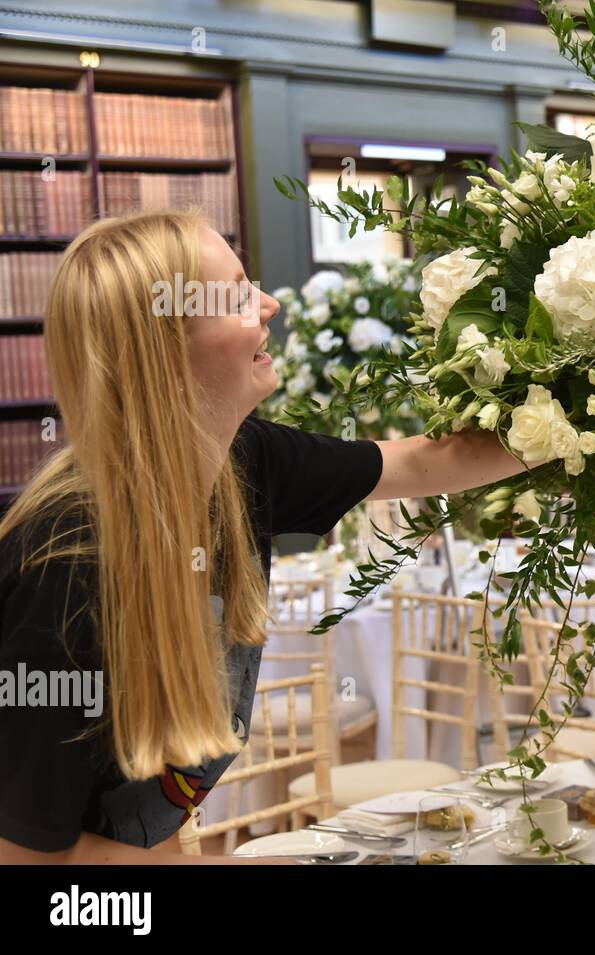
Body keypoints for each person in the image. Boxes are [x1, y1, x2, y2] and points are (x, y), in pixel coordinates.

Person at [0, 211, 526, 862]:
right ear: (166, 344)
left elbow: (422, 463)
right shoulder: (66, 561)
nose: (270, 305)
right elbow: (27, 856)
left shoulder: (243, 462)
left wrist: (582, 423)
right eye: (239, 294)